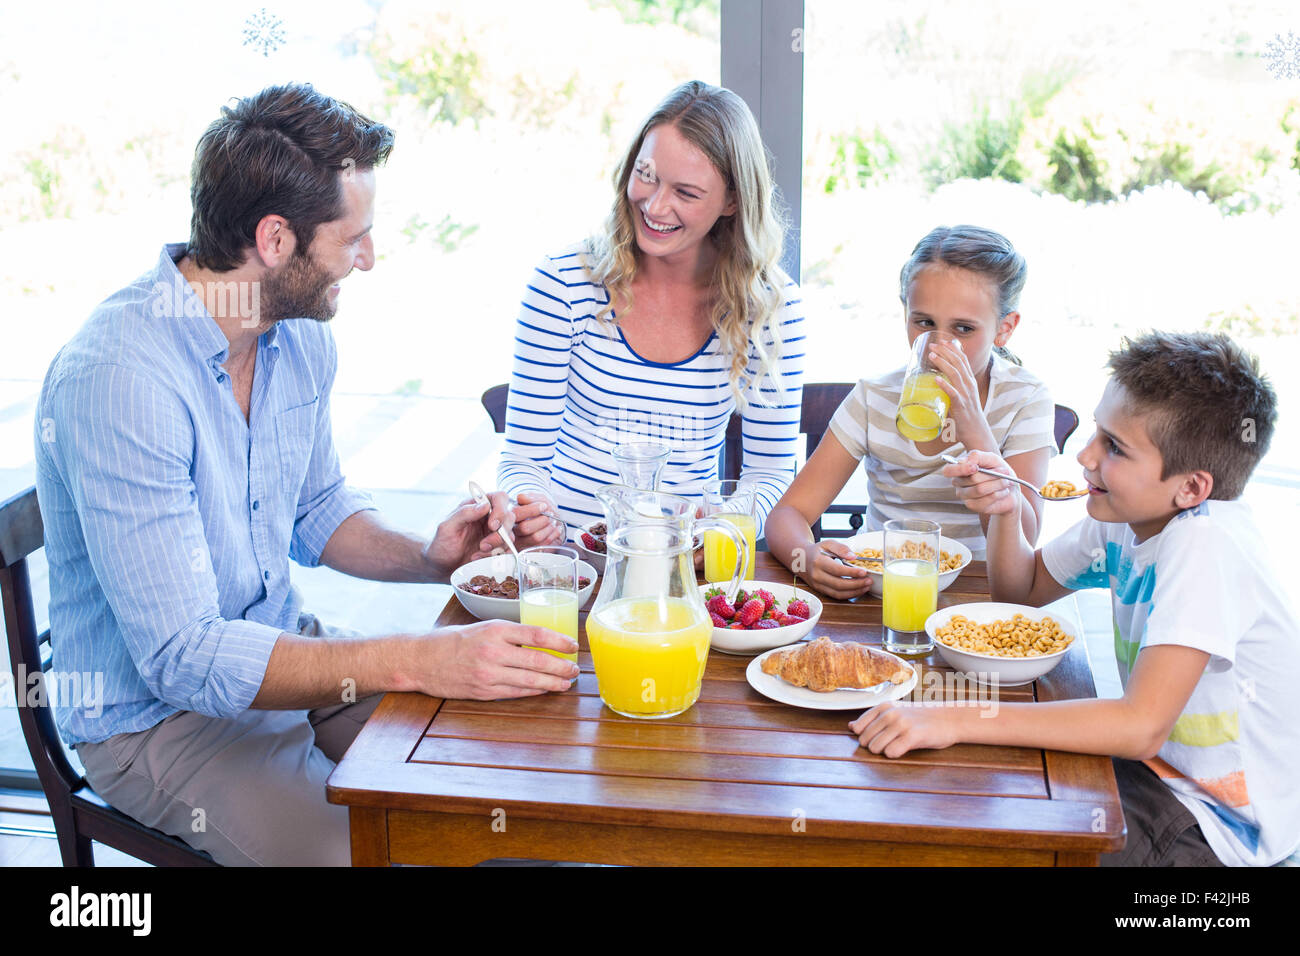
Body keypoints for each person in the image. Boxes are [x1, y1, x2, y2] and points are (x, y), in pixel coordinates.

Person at [33, 84, 577, 867]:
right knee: (373, 857)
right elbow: (185, 658)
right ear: (276, 239)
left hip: (284, 661)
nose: (368, 259)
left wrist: (431, 557)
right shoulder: (120, 379)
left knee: (508, 782)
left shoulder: (296, 339)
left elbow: (316, 509)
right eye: (352, 239)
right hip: (154, 723)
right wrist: (412, 657)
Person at [853, 331, 1300, 867]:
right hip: (1155, 775)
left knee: (987, 833)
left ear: (1191, 489)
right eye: (1096, 432)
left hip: (1216, 829)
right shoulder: (1127, 517)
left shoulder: (1207, 543)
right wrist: (1002, 507)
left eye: (1114, 447)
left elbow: (1139, 727)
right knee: (967, 794)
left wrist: (956, 717)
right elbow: (1021, 592)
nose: (1084, 455)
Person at [496, 80, 805, 547]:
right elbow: (523, 460)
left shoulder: (769, 307)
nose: (656, 206)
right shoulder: (564, 283)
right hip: (572, 567)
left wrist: (723, 529)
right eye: (647, 175)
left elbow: (770, 472)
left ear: (732, 201)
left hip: (685, 567)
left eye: (686, 192)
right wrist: (533, 511)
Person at [765, 225, 1054, 598]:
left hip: (979, 595)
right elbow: (788, 515)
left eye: (964, 329)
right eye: (924, 323)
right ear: (905, 313)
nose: (938, 346)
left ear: (1004, 329)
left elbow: (1025, 535)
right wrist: (806, 557)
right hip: (879, 593)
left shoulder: (1024, 399)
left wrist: (974, 429)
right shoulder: (875, 397)